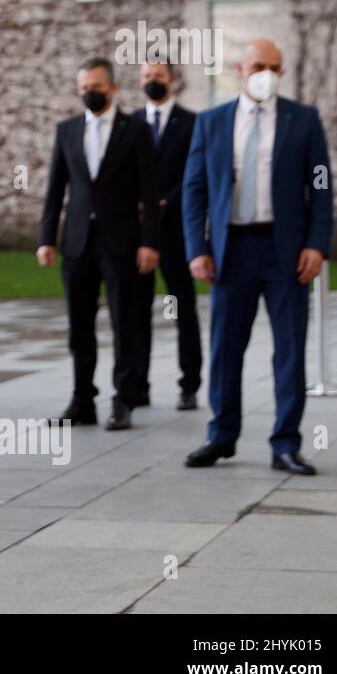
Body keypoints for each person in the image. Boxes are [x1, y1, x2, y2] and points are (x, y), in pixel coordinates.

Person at [182, 39, 332, 475]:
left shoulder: (303, 120)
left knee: (289, 350)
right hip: (232, 250)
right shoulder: (211, 123)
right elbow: (194, 190)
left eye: (274, 67)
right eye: (258, 65)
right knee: (226, 348)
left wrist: (318, 243)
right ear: (240, 69)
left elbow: (320, 185)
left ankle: (285, 443)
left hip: (287, 252)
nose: (266, 72)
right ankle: (221, 437)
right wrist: (198, 248)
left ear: (281, 73)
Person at [36, 57, 159, 431]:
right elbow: (55, 189)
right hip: (77, 243)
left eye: (96, 87)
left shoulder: (136, 129)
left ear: (113, 88)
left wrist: (150, 242)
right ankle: (82, 400)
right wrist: (46, 239)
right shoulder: (67, 130)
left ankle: (123, 399)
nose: (89, 93)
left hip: (122, 242)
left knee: (125, 323)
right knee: (80, 326)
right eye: (84, 87)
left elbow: (149, 193)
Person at [131, 57, 201, 410]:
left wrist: (160, 203)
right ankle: (138, 384)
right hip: (139, 235)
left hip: (175, 232)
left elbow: (194, 174)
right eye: (146, 75)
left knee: (182, 307)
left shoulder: (192, 124)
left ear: (172, 80)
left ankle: (189, 383)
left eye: (158, 75)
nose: (151, 80)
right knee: (136, 310)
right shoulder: (129, 124)